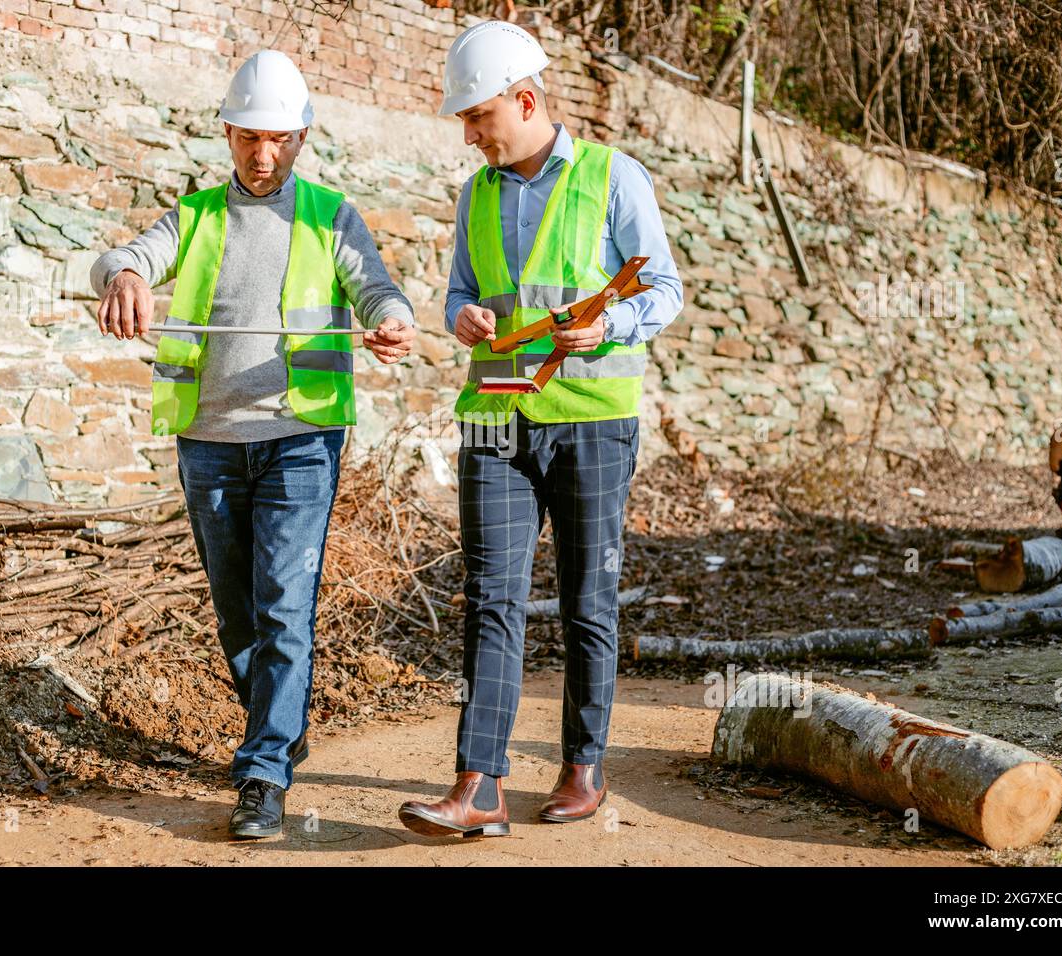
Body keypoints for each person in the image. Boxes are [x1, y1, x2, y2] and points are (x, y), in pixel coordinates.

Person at [93, 50, 416, 839]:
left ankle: (264, 770)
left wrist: (394, 314)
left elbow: (373, 284)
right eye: (248, 139)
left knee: (283, 604)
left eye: (279, 140)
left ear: (302, 137)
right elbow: (125, 255)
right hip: (209, 441)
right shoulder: (197, 214)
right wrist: (124, 279)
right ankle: (281, 717)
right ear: (228, 132)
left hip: (300, 437)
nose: (263, 156)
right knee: (236, 609)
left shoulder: (330, 216)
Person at [398, 21, 683, 838]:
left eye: (478, 116)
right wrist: (463, 318)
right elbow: (457, 293)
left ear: (526, 100)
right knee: (491, 596)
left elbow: (663, 288)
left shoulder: (611, 176)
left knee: (588, 598)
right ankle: (479, 783)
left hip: (592, 419)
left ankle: (582, 768)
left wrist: (613, 325)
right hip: (494, 415)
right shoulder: (475, 193)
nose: (469, 133)